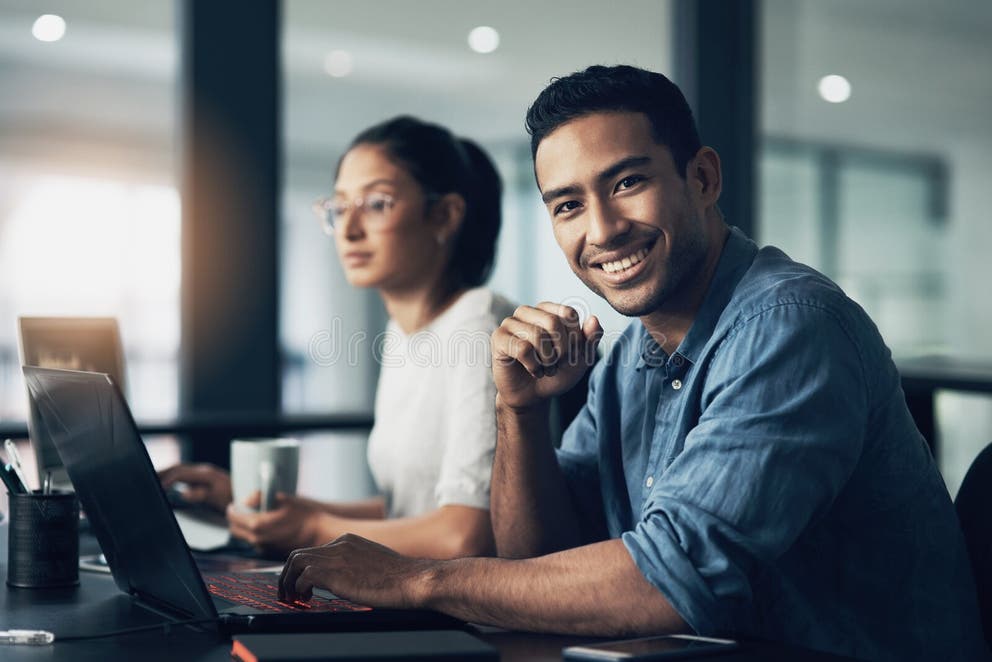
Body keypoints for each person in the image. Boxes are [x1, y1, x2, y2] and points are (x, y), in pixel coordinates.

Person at [276, 66, 989, 661]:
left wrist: (419, 581)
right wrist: (520, 412)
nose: (602, 230)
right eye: (567, 205)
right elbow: (537, 561)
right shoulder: (633, 354)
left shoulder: (789, 327)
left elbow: (668, 583)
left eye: (625, 183)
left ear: (702, 178)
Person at [160, 115, 515, 559]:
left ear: (444, 214)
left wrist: (311, 529)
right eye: (340, 206)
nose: (348, 230)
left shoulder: (480, 329)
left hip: (462, 611)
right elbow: (409, 509)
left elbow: (465, 536)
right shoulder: (407, 332)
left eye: (377, 204)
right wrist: (270, 506)